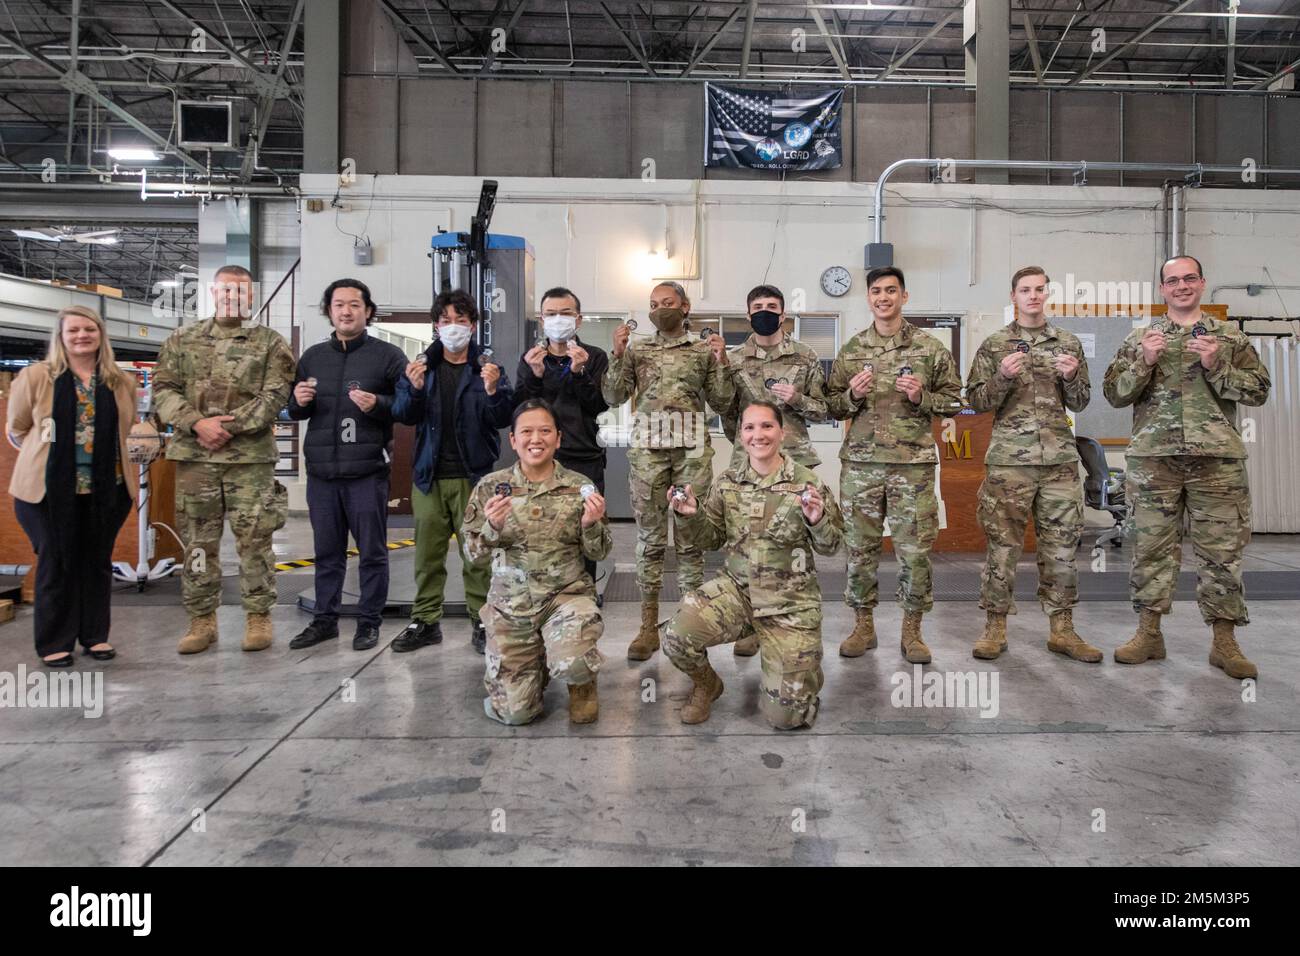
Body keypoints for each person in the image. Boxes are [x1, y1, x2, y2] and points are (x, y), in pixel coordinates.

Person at [1103, 255, 1271, 679]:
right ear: (1162, 289)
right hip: (1154, 460)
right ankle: (1149, 634)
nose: (1181, 286)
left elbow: (1259, 391)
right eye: (1172, 280)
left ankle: (1224, 641)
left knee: (1221, 552)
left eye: (1189, 278)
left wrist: (1218, 366)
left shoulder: (1229, 337)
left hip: (1216, 460)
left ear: (1202, 283)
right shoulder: (1141, 337)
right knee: (1151, 549)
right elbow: (1115, 395)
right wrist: (1143, 360)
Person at [663, 401, 842, 728]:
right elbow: (711, 538)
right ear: (740, 436)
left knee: (786, 718)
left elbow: (832, 547)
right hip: (738, 593)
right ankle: (707, 685)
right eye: (749, 428)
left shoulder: (807, 483)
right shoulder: (728, 481)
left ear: (782, 432)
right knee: (677, 636)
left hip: (789, 604)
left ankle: (796, 667)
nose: (758, 435)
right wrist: (690, 514)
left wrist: (817, 522)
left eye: (766, 426)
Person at [153, 264, 295, 655]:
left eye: (241, 291)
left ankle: (258, 616)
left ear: (252, 297)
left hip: (249, 461)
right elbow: (163, 390)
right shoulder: (182, 339)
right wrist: (198, 424)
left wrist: (225, 428)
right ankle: (201, 620)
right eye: (225, 290)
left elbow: (274, 397)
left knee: (256, 542)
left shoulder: (270, 343)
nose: (233, 297)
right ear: (213, 294)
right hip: (196, 459)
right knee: (198, 545)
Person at [826, 267, 963, 665]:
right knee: (859, 550)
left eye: (891, 290)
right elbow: (830, 405)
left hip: (912, 467)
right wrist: (851, 395)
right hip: (861, 466)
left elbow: (956, 400)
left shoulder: (930, 349)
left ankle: (912, 631)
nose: (883, 297)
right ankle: (863, 626)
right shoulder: (852, 350)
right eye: (875, 291)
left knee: (915, 552)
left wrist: (923, 397)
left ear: (904, 296)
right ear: (867, 298)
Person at [965, 266, 1100, 663]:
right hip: (1010, 462)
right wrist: (1003, 378)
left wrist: (1074, 376)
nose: (1033, 296)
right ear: (1014, 297)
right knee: (1002, 548)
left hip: (1059, 461)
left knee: (1061, 548)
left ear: (1047, 294)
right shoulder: (995, 345)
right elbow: (977, 400)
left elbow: (1081, 401)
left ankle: (1062, 629)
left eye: (1040, 289)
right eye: (1026, 290)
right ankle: (994, 627)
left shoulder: (1068, 343)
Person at [602, 280, 735, 661]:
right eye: (654, 304)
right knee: (651, 540)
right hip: (648, 452)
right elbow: (612, 396)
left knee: (691, 540)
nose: (660, 309)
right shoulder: (637, 348)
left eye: (668, 302)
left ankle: (689, 621)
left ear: (686, 307)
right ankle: (647, 626)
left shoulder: (701, 349)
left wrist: (722, 360)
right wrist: (616, 353)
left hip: (691, 451)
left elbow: (724, 401)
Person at [462, 400, 612, 724]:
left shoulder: (578, 486)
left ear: (558, 438)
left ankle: (580, 680)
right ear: (513, 440)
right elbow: (473, 555)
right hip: (510, 607)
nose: (536, 439)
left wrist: (591, 525)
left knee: (574, 661)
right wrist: (493, 527)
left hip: (564, 598)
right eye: (526, 432)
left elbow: (600, 552)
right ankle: (535, 663)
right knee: (516, 714)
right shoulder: (490, 488)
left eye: (545, 431)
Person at [7, 306, 137, 666]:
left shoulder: (120, 382)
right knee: (56, 560)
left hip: (105, 490)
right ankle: (54, 643)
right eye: (74, 330)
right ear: (61, 337)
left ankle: (94, 636)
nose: (82, 336)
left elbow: (125, 431)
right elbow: (17, 428)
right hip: (46, 493)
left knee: (96, 562)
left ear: (100, 335)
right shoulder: (36, 377)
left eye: (89, 329)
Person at [286, 279, 408, 651]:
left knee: (372, 552)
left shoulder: (388, 356)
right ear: (329, 310)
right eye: (339, 304)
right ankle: (324, 620)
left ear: (367, 311)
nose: (346, 311)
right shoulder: (312, 357)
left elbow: (407, 406)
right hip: (322, 474)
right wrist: (299, 400)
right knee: (327, 552)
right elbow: (293, 410)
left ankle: (369, 622)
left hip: (367, 473)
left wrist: (380, 405)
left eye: (354, 304)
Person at [391, 289, 513, 655]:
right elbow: (401, 413)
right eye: (446, 321)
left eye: (462, 320)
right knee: (426, 555)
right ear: (435, 326)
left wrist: (493, 392)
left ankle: (480, 620)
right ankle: (426, 621)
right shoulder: (420, 369)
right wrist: (412, 390)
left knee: (476, 555)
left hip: (473, 478)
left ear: (473, 326)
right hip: (428, 477)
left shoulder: (488, 370)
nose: (454, 327)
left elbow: (503, 418)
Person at [720, 283, 830, 657]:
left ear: (783, 314)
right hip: (748, 464)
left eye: (772, 306)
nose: (764, 311)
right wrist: (747, 441)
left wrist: (796, 399)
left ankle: (794, 616)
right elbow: (728, 414)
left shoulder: (805, 355)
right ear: (748, 314)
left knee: (794, 546)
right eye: (757, 306)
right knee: (746, 544)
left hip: (795, 461)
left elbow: (825, 409)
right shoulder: (734, 360)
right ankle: (749, 622)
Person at [514, 286, 609, 590]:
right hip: (541, 460)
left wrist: (579, 372)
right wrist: (535, 375)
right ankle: (542, 593)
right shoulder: (532, 359)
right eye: (551, 314)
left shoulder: (593, 356)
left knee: (587, 527)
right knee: (538, 528)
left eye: (565, 313)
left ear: (578, 319)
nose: (558, 320)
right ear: (542, 320)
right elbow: (520, 408)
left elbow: (599, 405)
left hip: (583, 459)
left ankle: (584, 592)